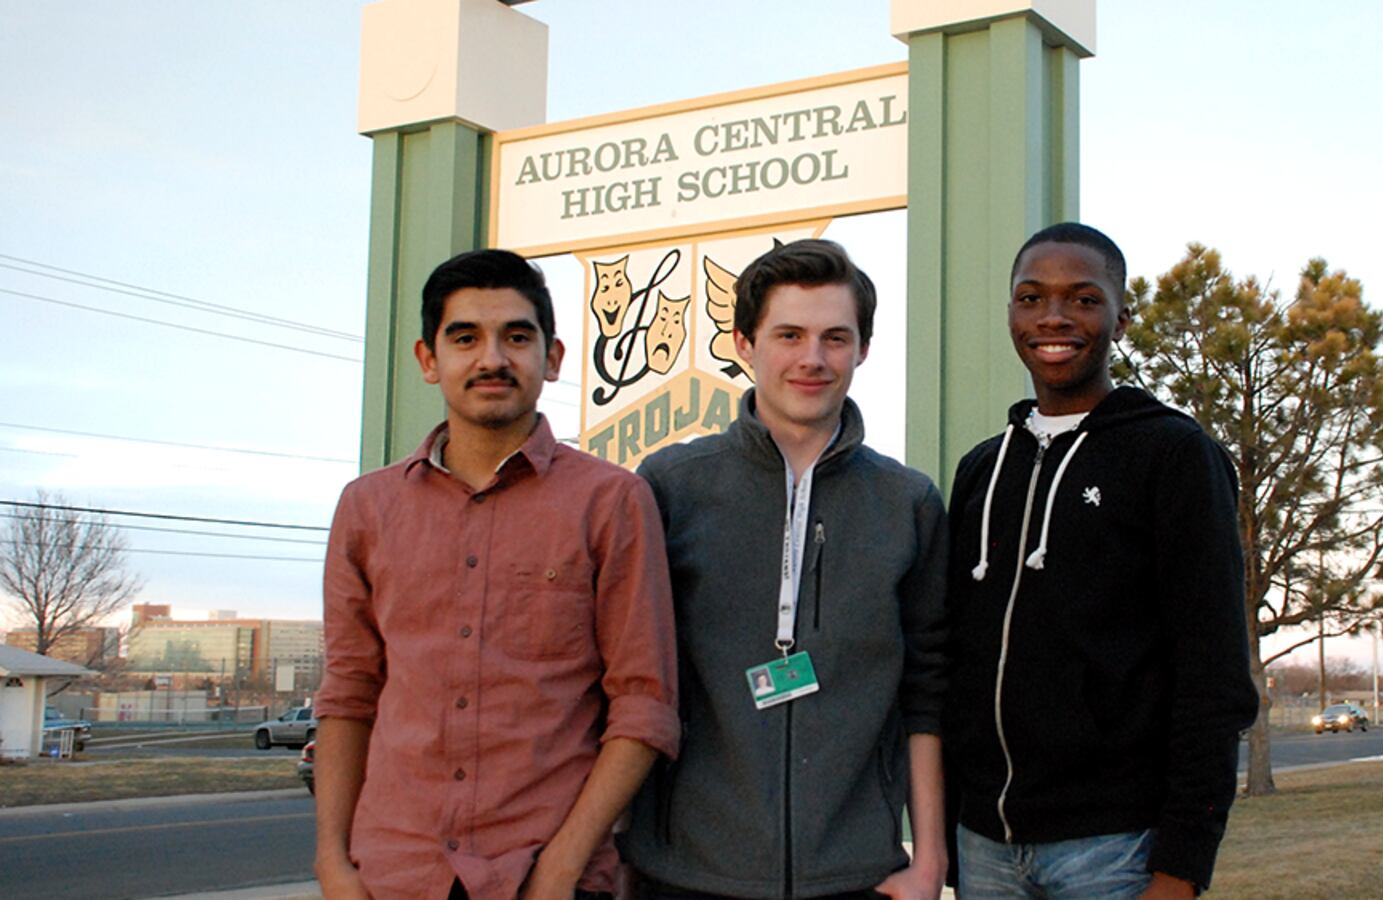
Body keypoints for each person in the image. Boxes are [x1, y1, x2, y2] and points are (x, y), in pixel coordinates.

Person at [314, 249, 679, 900]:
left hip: (546, 873)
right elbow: (349, 694)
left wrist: (564, 867)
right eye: (465, 338)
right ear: (429, 360)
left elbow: (644, 705)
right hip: (392, 873)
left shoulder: (611, 501)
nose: (491, 359)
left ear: (554, 357)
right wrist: (334, 862)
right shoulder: (367, 508)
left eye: (517, 336)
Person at [619, 239, 949, 900]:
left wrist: (931, 860)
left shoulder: (906, 503)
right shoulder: (669, 486)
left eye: (835, 337)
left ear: (863, 349)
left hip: (857, 877)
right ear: (744, 343)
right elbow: (629, 684)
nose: (812, 359)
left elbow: (928, 691)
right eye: (788, 335)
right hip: (684, 873)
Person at [943, 223, 1259, 899]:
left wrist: (1181, 868)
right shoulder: (981, 470)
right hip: (982, 849)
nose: (1053, 317)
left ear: (1121, 317)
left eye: (1083, 299)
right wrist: (943, 837)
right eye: (1031, 298)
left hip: (1113, 849)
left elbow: (1213, 674)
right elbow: (954, 664)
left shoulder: (1172, 455)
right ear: (1011, 314)